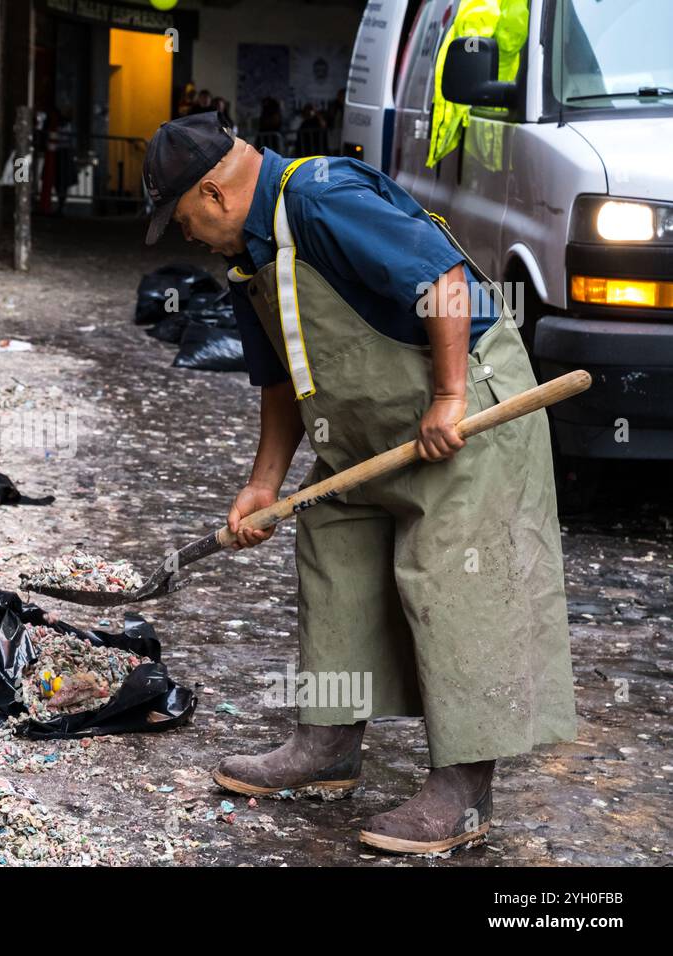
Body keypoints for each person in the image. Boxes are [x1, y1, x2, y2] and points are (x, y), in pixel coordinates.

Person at [141, 112, 577, 855]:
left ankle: (465, 791)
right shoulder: (251, 258)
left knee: (453, 577)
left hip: (467, 401)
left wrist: (447, 400)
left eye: (182, 220)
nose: (187, 237)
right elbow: (280, 380)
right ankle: (328, 745)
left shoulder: (322, 197)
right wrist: (262, 487)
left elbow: (442, 279)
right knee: (333, 542)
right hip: (369, 424)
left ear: (213, 193)